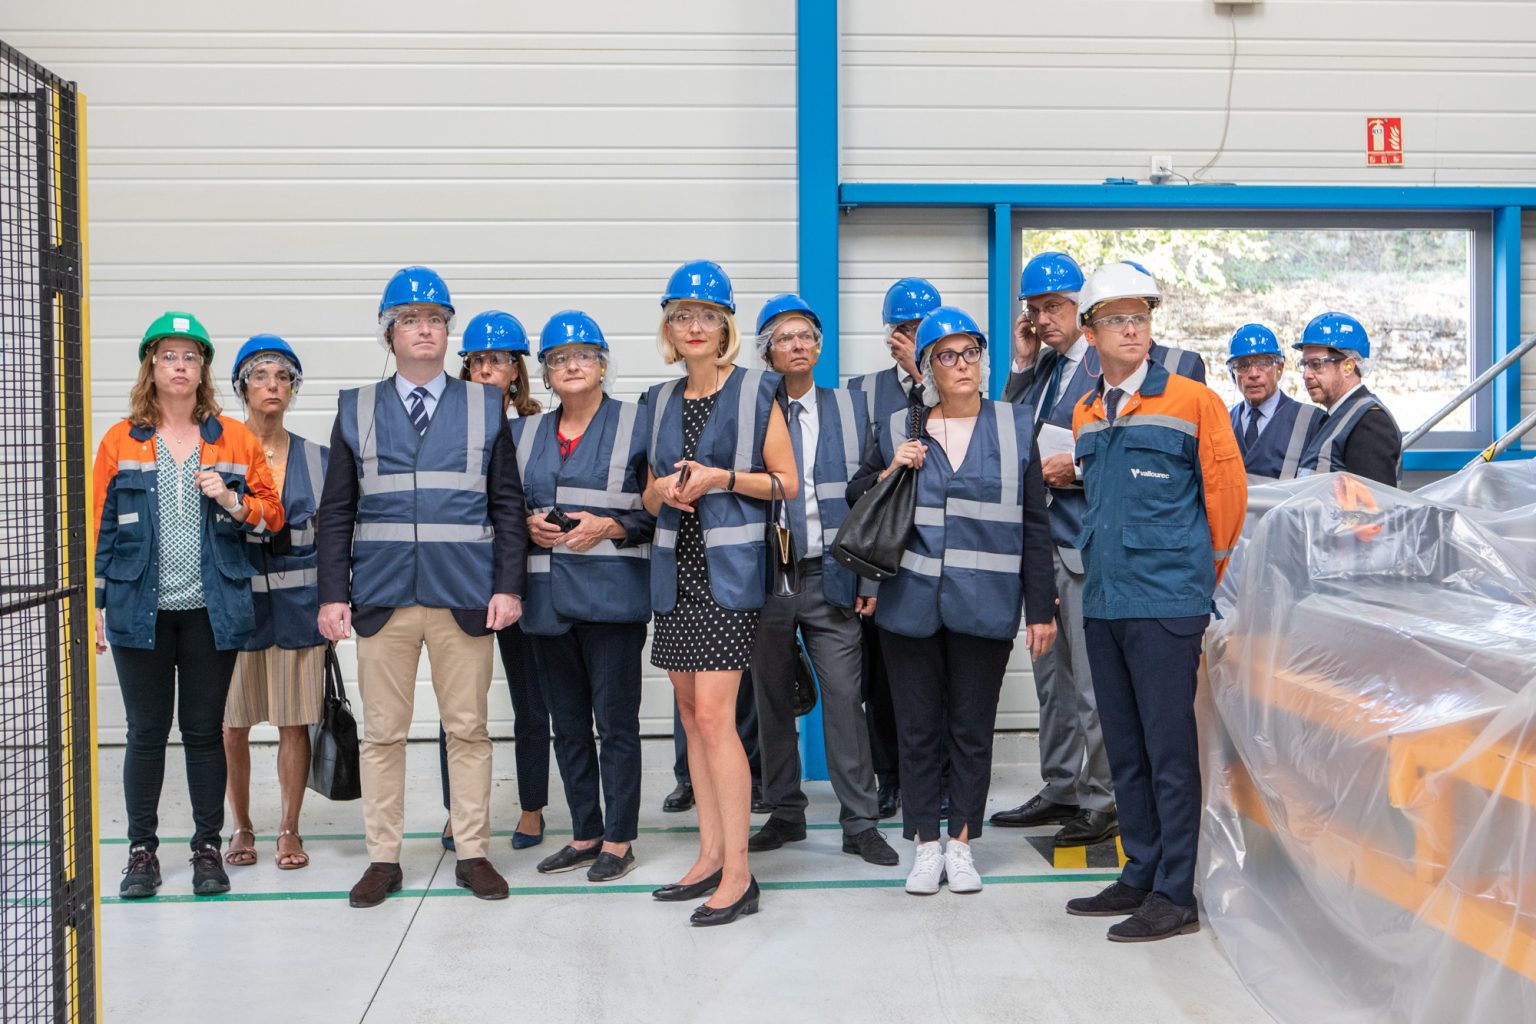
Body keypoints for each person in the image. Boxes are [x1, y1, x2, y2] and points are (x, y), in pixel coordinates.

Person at [316, 266, 528, 908]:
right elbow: (336, 511)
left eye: (435, 319)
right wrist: (332, 594)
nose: (425, 329)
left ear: (447, 332)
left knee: (467, 729)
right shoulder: (355, 407)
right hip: (381, 600)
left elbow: (508, 507)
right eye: (410, 319)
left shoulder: (486, 404)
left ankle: (473, 853)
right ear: (390, 334)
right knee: (383, 734)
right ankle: (383, 858)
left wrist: (509, 586)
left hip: (465, 596)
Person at [1062, 262, 1246, 941]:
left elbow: (1226, 500)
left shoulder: (1194, 401)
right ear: (1090, 335)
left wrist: (1202, 574)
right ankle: (1139, 869)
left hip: (1166, 600)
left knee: (1169, 749)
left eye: (1140, 317)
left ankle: (1177, 891)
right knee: (1126, 747)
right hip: (1105, 600)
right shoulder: (1086, 412)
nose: (1132, 329)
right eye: (1116, 319)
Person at [848, 305, 1056, 896]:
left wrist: (1039, 609)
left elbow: (1035, 525)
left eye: (970, 353)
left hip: (985, 603)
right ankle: (923, 843)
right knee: (916, 729)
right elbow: (857, 496)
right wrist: (892, 468)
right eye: (946, 355)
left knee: (971, 728)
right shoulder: (898, 428)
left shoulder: (1017, 426)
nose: (961, 364)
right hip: (908, 604)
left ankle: (960, 843)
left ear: (983, 363)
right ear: (927, 368)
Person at [93, 311, 283, 898]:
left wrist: (231, 497)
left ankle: (206, 848)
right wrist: (97, 606)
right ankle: (142, 853)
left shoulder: (234, 437)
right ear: (150, 364)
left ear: (203, 369)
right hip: (137, 610)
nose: (179, 365)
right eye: (169, 355)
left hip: (210, 608)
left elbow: (272, 518)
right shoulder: (120, 440)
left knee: (203, 732)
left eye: (191, 356)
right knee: (146, 734)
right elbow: (96, 527)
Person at [642, 259, 797, 926]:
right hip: (674, 571)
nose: (695, 326)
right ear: (669, 330)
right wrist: (667, 492)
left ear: (726, 324)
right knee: (689, 713)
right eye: (682, 316)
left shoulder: (757, 392)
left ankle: (739, 873)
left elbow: (786, 482)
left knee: (714, 715)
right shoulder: (657, 401)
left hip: (729, 576)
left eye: (707, 315)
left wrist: (721, 479)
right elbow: (645, 491)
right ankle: (708, 855)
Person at [745, 294, 898, 868]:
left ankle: (859, 822)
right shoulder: (750, 409)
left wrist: (868, 578)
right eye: (785, 337)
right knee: (772, 699)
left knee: (843, 698)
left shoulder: (852, 407)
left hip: (832, 573)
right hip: (767, 574)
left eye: (807, 335)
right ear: (766, 352)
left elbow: (874, 501)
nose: (798, 345)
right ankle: (785, 813)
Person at [512, 310, 654, 882]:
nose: (571, 366)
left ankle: (619, 839)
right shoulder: (523, 434)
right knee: (567, 723)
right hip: (546, 599)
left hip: (613, 598)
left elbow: (659, 506)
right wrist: (524, 524)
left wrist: (613, 527)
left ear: (602, 366)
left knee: (615, 723)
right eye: (558, 359)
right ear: (545, 374)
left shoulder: (637, 425)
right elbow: (506, 506)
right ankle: (584, 832)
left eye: (584, 356)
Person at [990, 251, 1117, 847]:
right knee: (1052, 683)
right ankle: (1062, 784)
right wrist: (1019, 363)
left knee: (1092, 686)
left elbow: (1133, 450)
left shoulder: (1107, 365)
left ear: (1081, 308)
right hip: (1040, 550)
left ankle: (1103, 799)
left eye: (1054, 307)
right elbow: (1007, 435)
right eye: (1034, 310)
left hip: (1086, 546)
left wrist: (1081, 470)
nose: (1043, 319)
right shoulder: (1039, 372)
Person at [437, 310, 550, 853]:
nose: (486, 369)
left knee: (531, 702)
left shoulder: (536, 426)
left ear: (516, 369)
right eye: (477, 360)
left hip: (523, 580)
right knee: (458, 707)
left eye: (498, 360)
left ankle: (531, 808)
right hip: (463, 580)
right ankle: (458, 811)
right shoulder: (448, 425)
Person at [222, 335, 328, 872]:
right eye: (261, 376)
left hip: (298, 611)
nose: (272, 386)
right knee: (231, 724)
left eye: (283, 378)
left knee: (294, 723)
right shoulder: (215, 452)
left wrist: (337, 603)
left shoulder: (318, 458)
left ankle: (289, 829)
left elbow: (337, 540)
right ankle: (241, 826)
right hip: (234, 614)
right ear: (242, 386)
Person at [846, 276, 943, 820]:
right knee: (880, 683)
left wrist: (920, 374)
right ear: (890, 335)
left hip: (940, 558)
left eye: (923, 331)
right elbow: (856, 487)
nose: (914, 339)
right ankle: (890, 779)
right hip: (884, 561)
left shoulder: (958, 388)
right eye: (905, 331)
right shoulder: (861, 392)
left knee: (937, 683)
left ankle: (938, 779)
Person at [1295, 312, 1403, 486]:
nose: (1306, 375)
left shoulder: (1370, 421)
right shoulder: (1338, 418)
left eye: (1316, 365)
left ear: (1348, 366)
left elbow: (1372, 506)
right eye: (1304, 365)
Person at [1224, 323, 1324, 481]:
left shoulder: (1312, 422)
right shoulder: (1222, 422)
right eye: (1243, 365)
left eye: (1263, 363)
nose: (1253, 374)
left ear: (1280, 368)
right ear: (1232, 374)